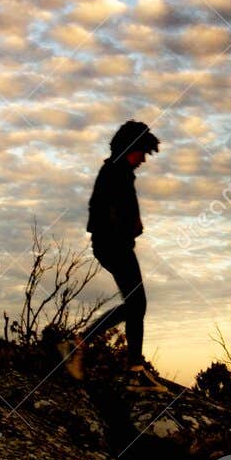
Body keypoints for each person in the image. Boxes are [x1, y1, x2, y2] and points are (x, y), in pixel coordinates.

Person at [68, 120, 163, 389]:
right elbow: (103, 211)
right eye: (142, 152)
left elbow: (102, 209)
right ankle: (128, 367)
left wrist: (131, 226)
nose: (143, 159)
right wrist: (126, 229)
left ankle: (128, 365)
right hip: (114, 245)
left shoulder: (115, 172)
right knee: (137, 303)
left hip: (112, 243)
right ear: (130, 148)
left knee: (135, 304)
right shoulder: (116, 172)